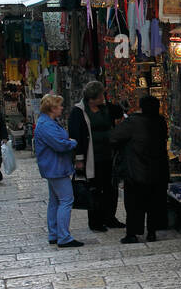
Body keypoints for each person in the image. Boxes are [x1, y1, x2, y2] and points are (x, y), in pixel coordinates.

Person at [110, 94, 170, 244]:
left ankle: (132, 233)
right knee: (153, 203)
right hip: (157, 170)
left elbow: (114, 138)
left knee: (134, 204)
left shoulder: (133, 122)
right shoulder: (160, 121)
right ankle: (151, 232)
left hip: (135, 170)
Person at [68, 80, 124, 232]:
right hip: (91, 157)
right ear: (92, 98)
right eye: (101, 96)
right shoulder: (78, 111)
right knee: (94, 189)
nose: (103, 98)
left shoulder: (106, 107)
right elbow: (75, 136)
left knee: (110, 189)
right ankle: (95, 221)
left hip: (108, 155)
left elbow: (119, 112)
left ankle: (110, 218)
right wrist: (79, 159)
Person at [33, 94, 83, 248]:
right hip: (56, 167)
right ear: (52, 108)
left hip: (53, 166)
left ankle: (54, 233)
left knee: (55, 201)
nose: (62, 108)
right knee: (66, 200)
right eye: (59, 105)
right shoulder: (47, 125)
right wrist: (72, 142)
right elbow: (60, 144)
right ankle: (63, 236)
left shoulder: (47, 122)